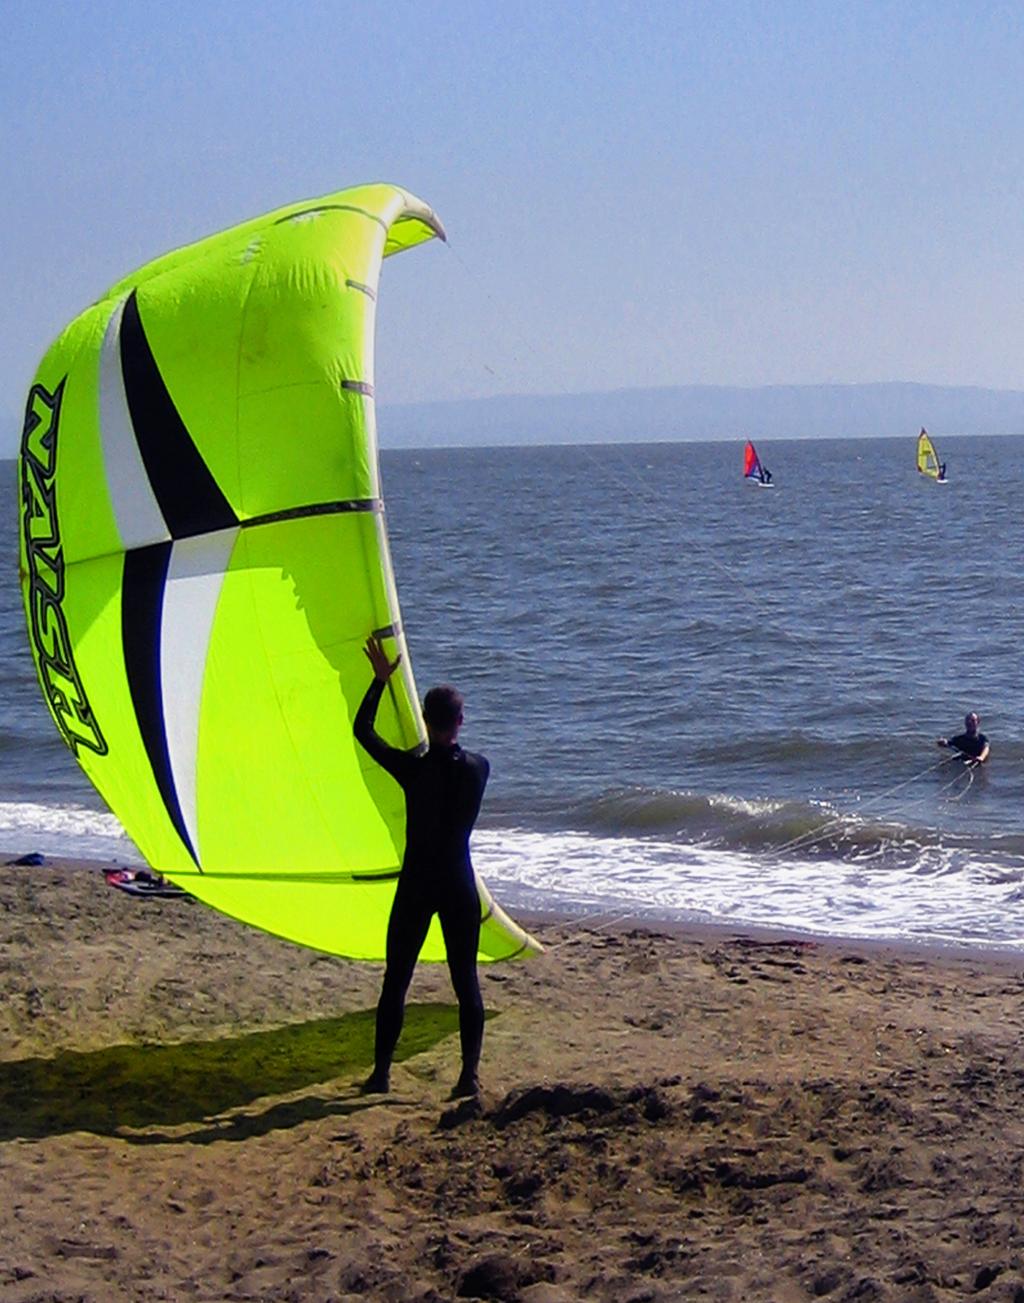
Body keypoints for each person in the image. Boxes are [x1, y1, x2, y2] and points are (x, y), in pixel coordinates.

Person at [354, 634, 489, 1099]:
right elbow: (452, 758)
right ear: (461, 721)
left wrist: (379, 682)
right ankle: (468, 1077)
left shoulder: (413, 769)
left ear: (425, 720)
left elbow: (363, 732)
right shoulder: (479, 769)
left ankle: (381, 1075)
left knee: (397, 979)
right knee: (464, 980)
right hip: (458, 885)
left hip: (416, 885)